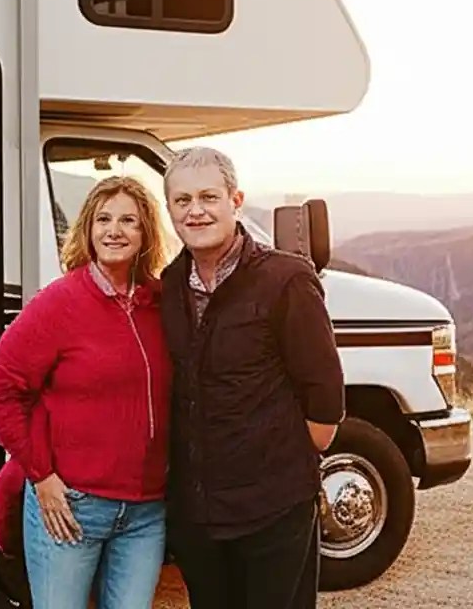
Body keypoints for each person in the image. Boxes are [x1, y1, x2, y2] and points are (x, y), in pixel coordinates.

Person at [158, 146, 346, 609]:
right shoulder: (168, 284)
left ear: (235, 200)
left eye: (208, 197)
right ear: (169, 210)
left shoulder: (286, 280)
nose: (196, 211)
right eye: (182, 201)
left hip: (272, 511)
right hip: (199, 515)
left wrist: (286, 462)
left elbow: (324, 395)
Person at [0, 175, 174, 609]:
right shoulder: (60, 302)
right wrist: (41, 475)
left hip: (145, 513)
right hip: (72, 505)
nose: (114, 230)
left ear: (145, 233)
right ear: (87, 229)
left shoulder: (161, 303)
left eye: (129, 220)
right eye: (103, 219)